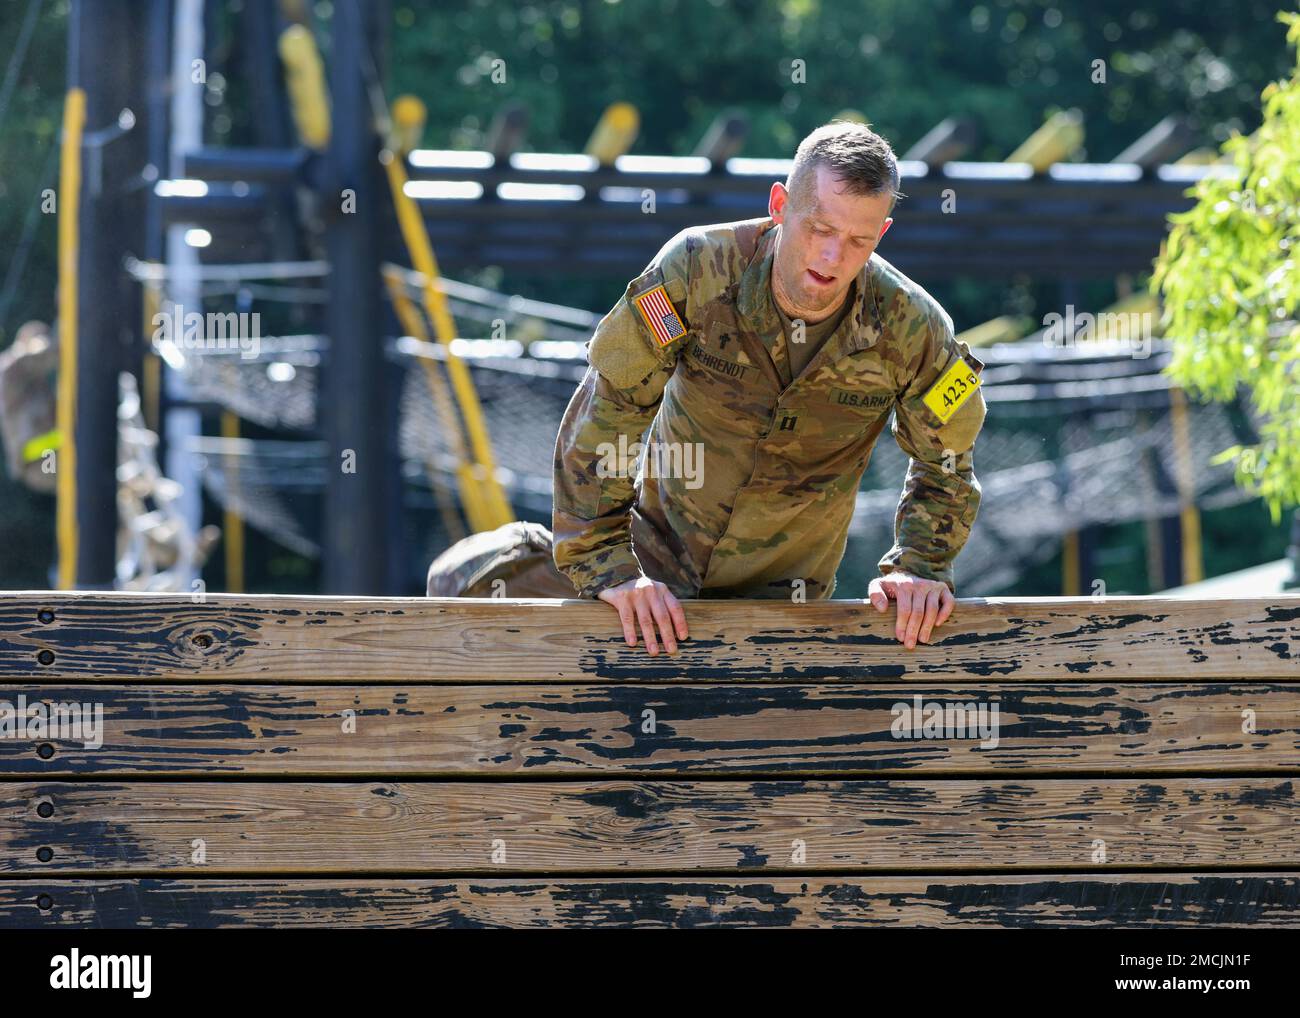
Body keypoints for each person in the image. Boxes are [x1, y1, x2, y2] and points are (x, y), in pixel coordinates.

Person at [551, 120, 987, 656]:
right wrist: (608, 568)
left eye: (858, 241)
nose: (832, 258)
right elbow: (610, 412)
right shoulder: (698, 270)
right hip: (653, 586)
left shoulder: (913, 327)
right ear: (780, 204)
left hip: (791, 612)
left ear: (883, 234)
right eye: (819, 229)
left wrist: (920, 567)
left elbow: (948, 459)